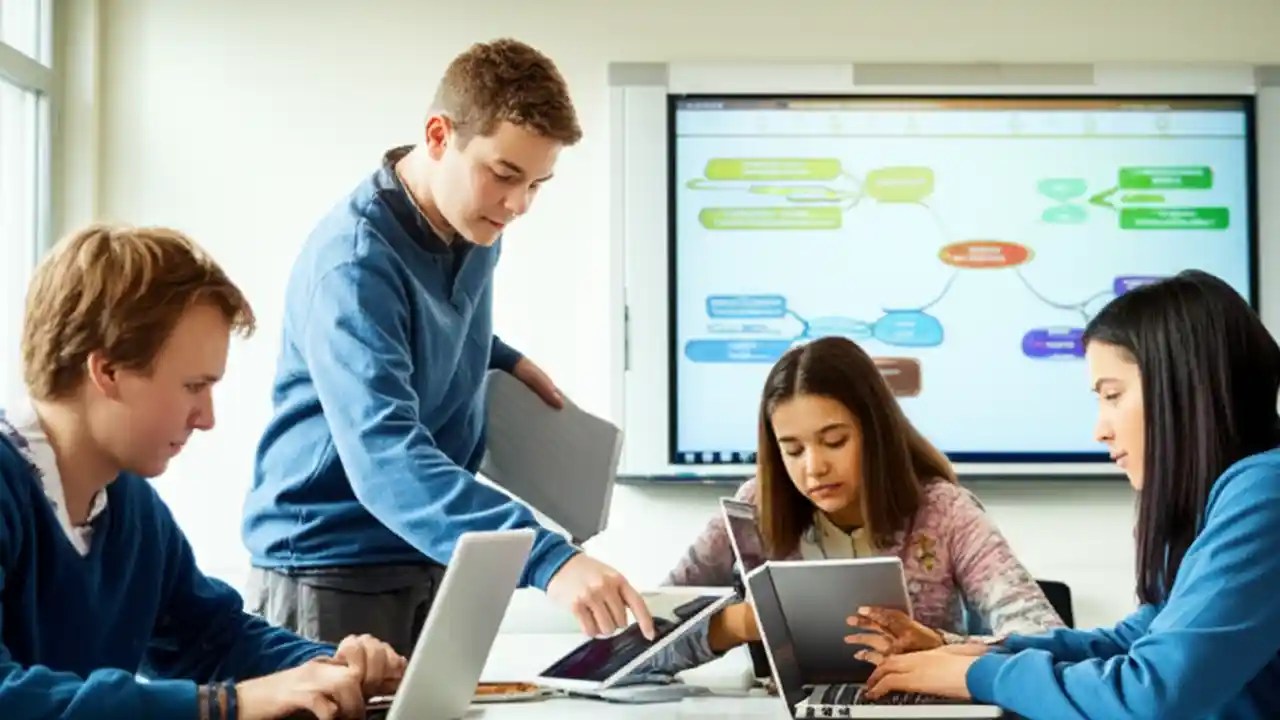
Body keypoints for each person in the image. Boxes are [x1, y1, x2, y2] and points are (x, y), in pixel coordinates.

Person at [240, 36, 653, 656]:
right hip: (331, 566)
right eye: (504, 175)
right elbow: (385, 456)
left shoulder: (474, 221)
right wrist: (549, 559)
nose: (518, 205)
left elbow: (422, 320)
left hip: (429, 549)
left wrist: (499, 356)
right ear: (438, 135)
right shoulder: (353, 265)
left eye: (537, 184)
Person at [0, 223, 405, 720]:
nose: (207, 418)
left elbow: (212, 638)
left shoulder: (129, 504)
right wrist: (227, 705)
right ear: (107, 372)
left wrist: (330, 669)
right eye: (194, 386)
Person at [860, 269, 1280, 719]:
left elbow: (1149, 694)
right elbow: (1134, 641)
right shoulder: (1226, 498)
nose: (1100, 430)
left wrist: (975, 675)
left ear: (1183, 389)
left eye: (1112, 395)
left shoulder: (1265, 493)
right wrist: (966, 652)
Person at [653, 335, 1063, 673]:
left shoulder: (945, 512)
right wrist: (737, 624)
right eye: (792, 450)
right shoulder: (754, 508)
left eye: (835, 442)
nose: (814, 468)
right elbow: (641, 646)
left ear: (876, 433)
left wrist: (940, 646)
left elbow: (1045, 640)